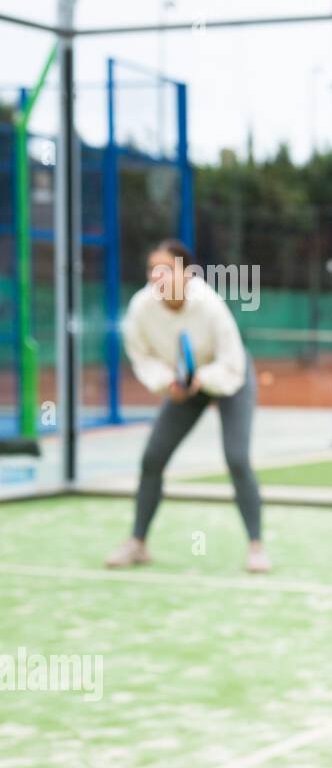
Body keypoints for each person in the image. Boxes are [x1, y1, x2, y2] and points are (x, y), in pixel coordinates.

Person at [105, 239, 269, 573]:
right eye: (152, 269)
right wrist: (168, 383)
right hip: (181, 385)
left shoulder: (209, 305)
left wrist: (201, 379)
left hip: (229, 380)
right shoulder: (141, 308)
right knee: (152, 459)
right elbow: (143, 357)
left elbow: (232, 363)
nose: (157, 276)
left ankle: (256, 546)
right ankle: (137, 543)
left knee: (237, 458)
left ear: (187, 273)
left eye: (165, 269)